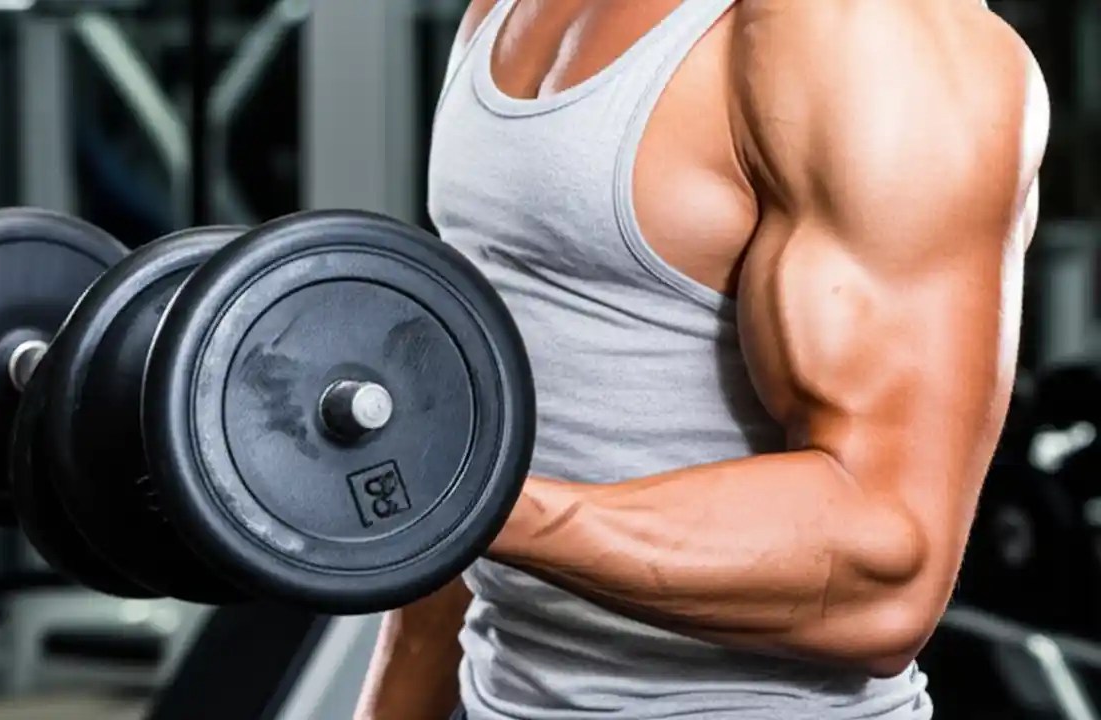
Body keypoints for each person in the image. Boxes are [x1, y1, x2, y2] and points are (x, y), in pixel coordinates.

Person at [355, 0, 1049, 718]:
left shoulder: (868, 30)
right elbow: (474, 416)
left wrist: (467, 502)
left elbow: (884, 572)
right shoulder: (502, 12)